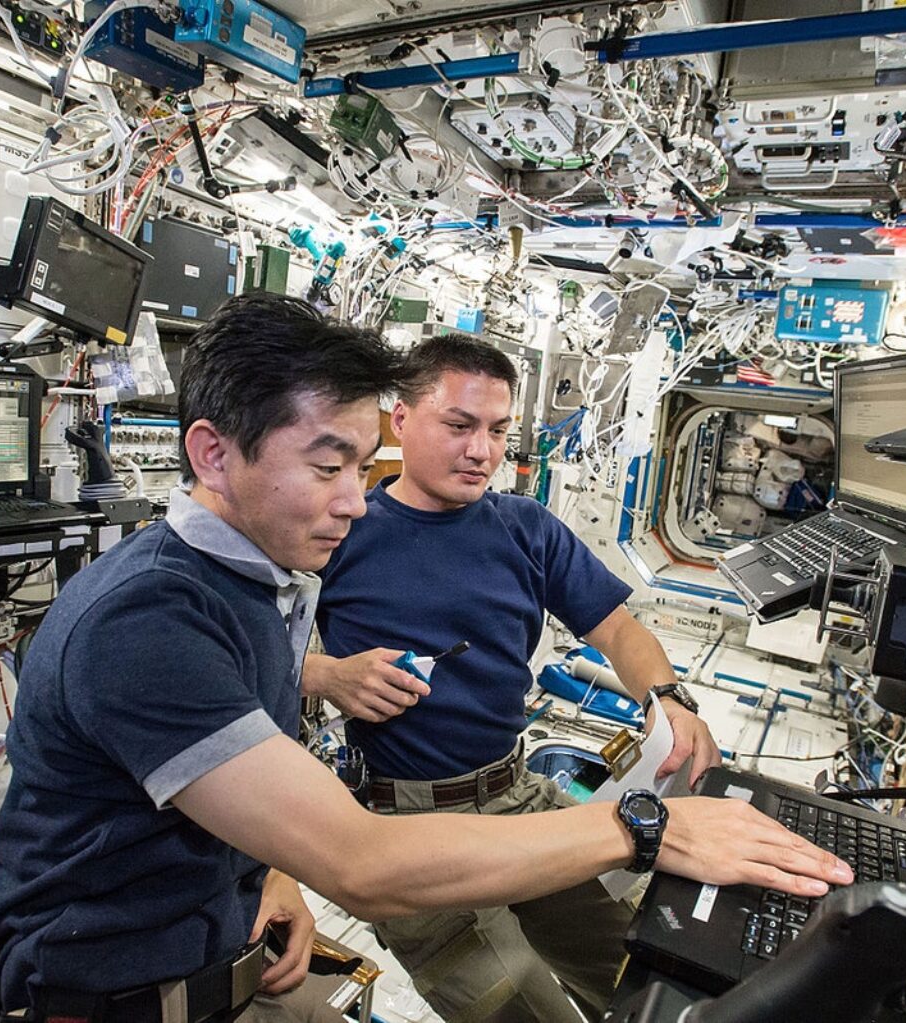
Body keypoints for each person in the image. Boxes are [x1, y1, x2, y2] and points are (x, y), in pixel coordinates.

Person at [0, 295, 852, 1023]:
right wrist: (645, 826)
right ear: (212, 452)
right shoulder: (147, 617)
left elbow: (258, 761)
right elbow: (361, 861)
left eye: (362, 468)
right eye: (329, 466)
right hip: (122, 985)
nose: (355, 503)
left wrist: (269, 866)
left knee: (648, 960)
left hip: (246, 933)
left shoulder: (266, 584)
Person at [305, 334, 722, 1022]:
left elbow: (617, 629)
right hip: (409, 827)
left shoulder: (526, 527)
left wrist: (668, 699)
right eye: (460, 426)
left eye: (499, 430)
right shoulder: (341, 531)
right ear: (400, 421)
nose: (483, 452)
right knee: (520, 1006)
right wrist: (328, 674)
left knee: (643, 976)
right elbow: (249, 655)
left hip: (517, 795)